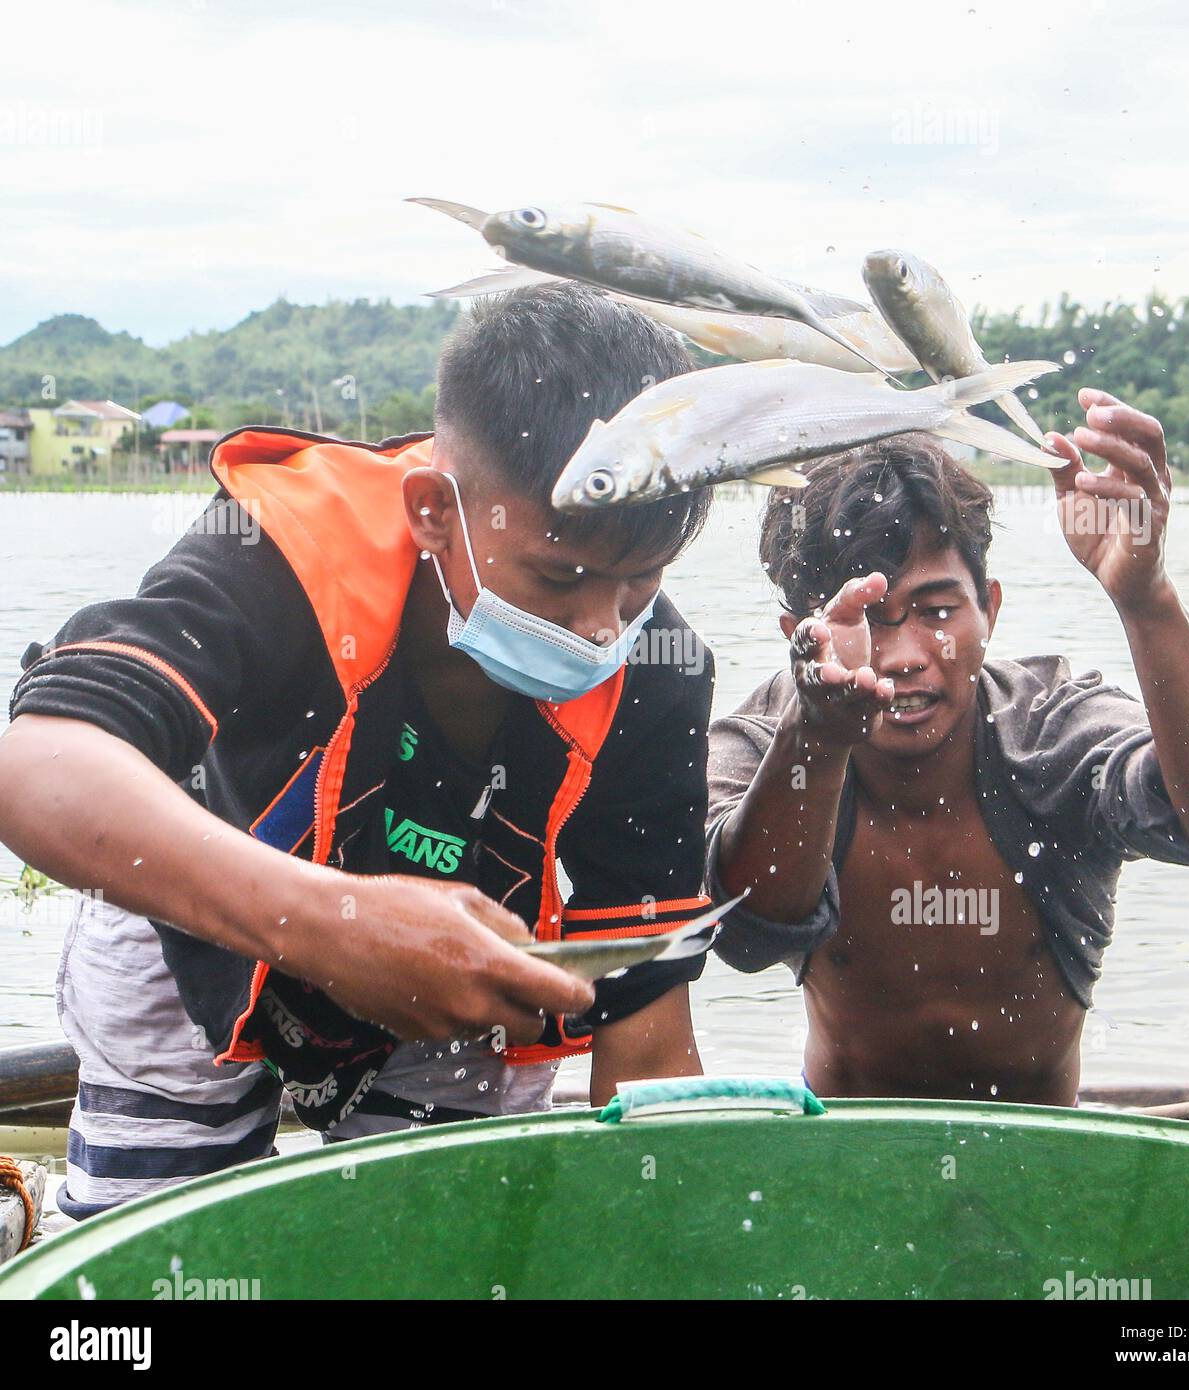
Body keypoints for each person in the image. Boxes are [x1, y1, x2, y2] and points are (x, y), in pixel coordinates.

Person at [0, 283, 715, 1215]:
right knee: (160, 1250)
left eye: (638, 585)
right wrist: (335, 928)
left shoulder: (655, 669)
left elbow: (646, 1023)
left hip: (452, 977)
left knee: (439, 1242)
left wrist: (671, 1228)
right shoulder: (281, 554)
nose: (595, 631)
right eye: (558, 577)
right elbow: (38, 765)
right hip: (196, 918)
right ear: (431, 511)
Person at [706, 390, 1189, 1105]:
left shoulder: (1050, 730)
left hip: (1042, 1148)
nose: (903, 656)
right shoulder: (767, 740)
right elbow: (745, 935)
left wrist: (1147, 600)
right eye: (868, 620)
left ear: (992, 609)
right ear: (801, 632)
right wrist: (818, 742)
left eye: (938, 611)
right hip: (844, 1148)